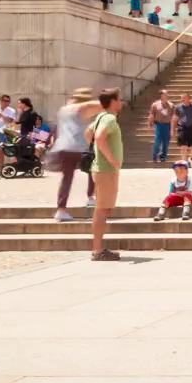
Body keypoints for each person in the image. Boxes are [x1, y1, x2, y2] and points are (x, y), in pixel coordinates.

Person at [87, 89, 125, 261]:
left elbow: (88, 134)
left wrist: (97, 152)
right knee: (102, 210)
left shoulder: (100, 117)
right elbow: (99, 136)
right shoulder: (109, 118)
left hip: (101, 169)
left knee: (103, 208)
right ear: (113, 101)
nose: (121, 102)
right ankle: (98, 250)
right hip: (106, 170)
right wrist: (111, 160)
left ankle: (98, 248)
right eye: (119, 99)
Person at [50, 88, 98, 223]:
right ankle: (90, 197)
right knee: (93, 169)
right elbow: (97, 105)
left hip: (63, 146)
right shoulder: (80, 108)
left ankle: (61, 209)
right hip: (77, 147)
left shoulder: (63, 110)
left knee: (67, 178)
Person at [174, 91, 192, 166]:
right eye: (181, 98)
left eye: (184, 98)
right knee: (183, 146)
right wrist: (172, 129)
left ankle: (191, 158)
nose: (182, 99)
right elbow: (175, 118)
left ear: (189, 98)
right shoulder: (178, 107)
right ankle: (184, 162)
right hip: (182, 127)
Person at [148, 90, 175, 164]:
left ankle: (163, 156)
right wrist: (149, 123)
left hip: (167, 125)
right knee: (157, 141)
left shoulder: (171, 105)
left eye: (167, 94)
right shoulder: (155, 104)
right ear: (161, 95)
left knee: (166, 142)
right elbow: (152, 115)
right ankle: (154, 156)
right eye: (164, 94)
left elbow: (173, 117)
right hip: (158, 125)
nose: (166, 96)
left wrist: (172, 129)